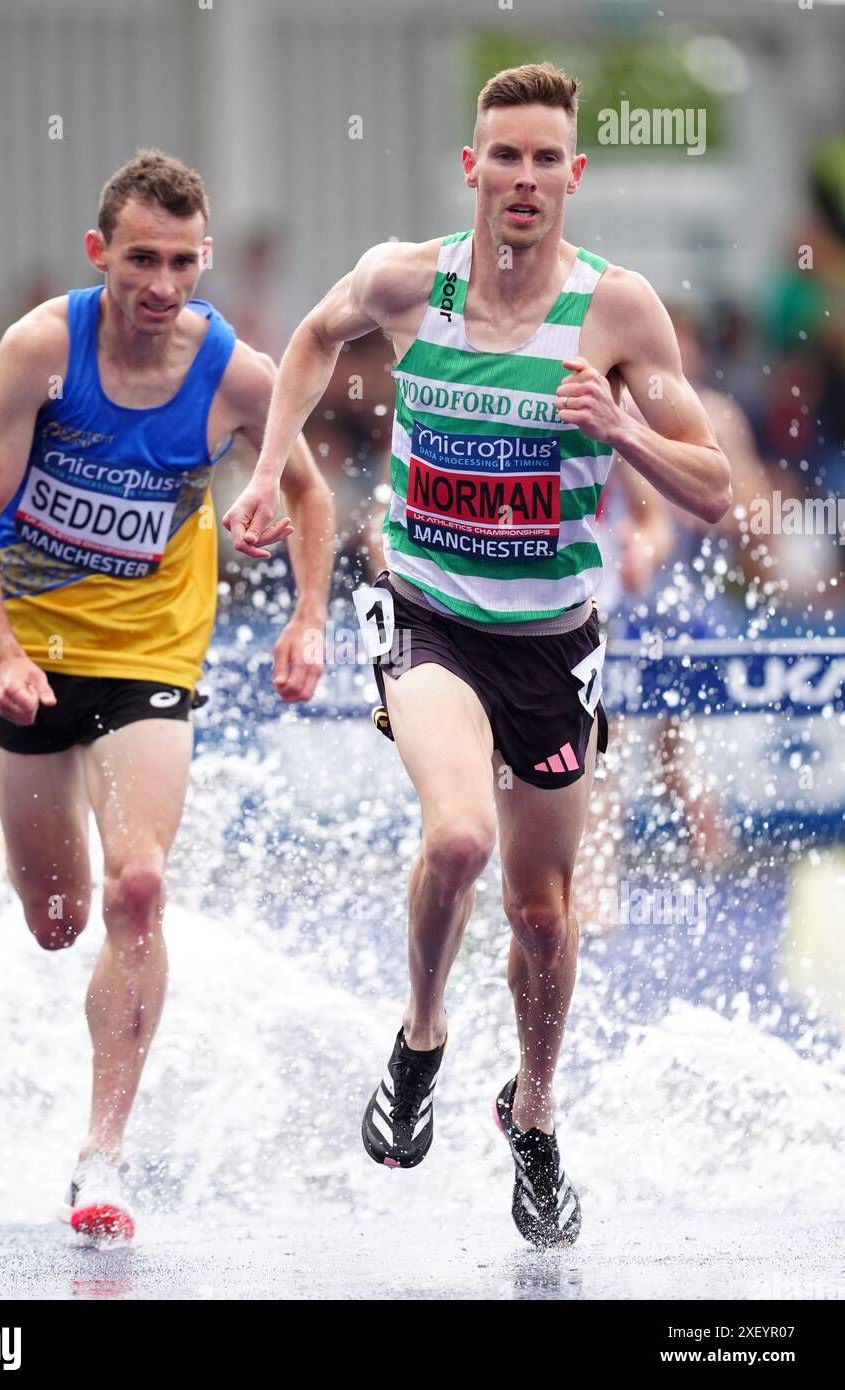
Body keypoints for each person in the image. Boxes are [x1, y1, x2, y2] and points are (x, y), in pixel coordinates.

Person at [223, 63, 731, 1249]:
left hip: (552, 643)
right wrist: (265, 466)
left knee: (544, 917)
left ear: (572, 176)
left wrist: (621, 429)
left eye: (546, 158)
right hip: (429, 613)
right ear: (473, 168)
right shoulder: (409, 280)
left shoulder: (620, 313)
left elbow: (710, 486)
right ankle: (421, 1036)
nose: (524, 178)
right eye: (504, 155)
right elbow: (306, 335)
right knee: (457, 835)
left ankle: (535, 1112)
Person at [0, 149, 333, 1242]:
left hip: (152, 657)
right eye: (142, 261)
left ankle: (101, 1156)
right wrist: (5, 652)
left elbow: (309, 494)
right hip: (28, 650)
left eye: (183, 263)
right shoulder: (42, 349)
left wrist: (307, 616)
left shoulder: (236, 373)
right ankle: (68, 816)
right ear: (99, 254)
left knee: (141, 884)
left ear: (204, 261)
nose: (163, 286)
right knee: (60, 921)